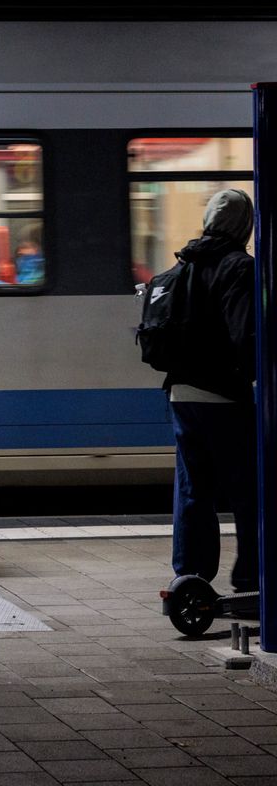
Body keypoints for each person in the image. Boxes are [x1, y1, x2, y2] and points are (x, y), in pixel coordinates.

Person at [165, 189, 258, 595]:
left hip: (180, 394)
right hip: (224, 396)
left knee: (193, 489)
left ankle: (191, 576)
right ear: (244, 226)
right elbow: (245, 335)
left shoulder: (183, 264)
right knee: (247, 489)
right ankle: (251, 576)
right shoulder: (240, 267)